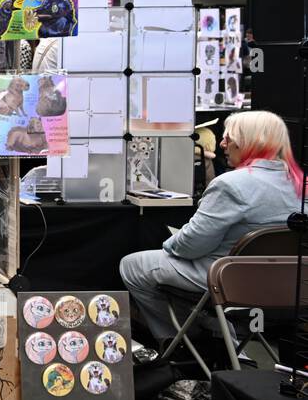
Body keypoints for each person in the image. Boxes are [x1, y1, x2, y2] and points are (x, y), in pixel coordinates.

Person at [118, 111, 303, 346]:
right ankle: (210, 331)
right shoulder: (300, 185)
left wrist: (169, 243)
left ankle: (179, 342)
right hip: (287, 282)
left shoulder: (230, 185)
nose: (222, 144)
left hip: (228, 279)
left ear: (249, 142)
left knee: (133, 265)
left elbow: (190, 246)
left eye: (229, 138)